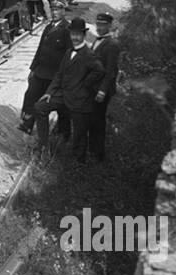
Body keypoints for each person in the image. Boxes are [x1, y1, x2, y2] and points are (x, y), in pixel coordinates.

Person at [31, 17, 103, 163]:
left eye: (78, 35)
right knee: (39, 107)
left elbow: (100, 71)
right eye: (72, 34)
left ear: (84, 35)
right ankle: (43, 147)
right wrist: (49, 92)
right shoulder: (68, 51)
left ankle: (77, 163)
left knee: (79, 133)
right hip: (62, 96)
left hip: (78, 100)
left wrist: (84, 85)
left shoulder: (88, 54)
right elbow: (59, 74)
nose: (75, 38)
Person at [18, 0, 70, 133]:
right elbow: (40, 49)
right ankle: (27, 124)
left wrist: (63, 76)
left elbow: (68, 55)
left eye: (57, 10)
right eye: (52, 10)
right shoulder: (48, 27)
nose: (54, 13)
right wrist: (32, 69)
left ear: (63, 11)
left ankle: (61, 131)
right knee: (31, 96)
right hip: (41, 71)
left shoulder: (67, 30)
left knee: (54, 103)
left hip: (55, 74)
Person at [87, 12, 121, 161]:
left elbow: (111, 70)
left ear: (109, 26)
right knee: (92, 119)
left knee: (98, 121)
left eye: (103, 25)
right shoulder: (96, 40)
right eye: (98, 24)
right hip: (93, 87)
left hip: (101, 90)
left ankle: (98, 154)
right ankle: (92, 148)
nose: (99, 27)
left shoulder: (112, 44)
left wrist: (102, 91)